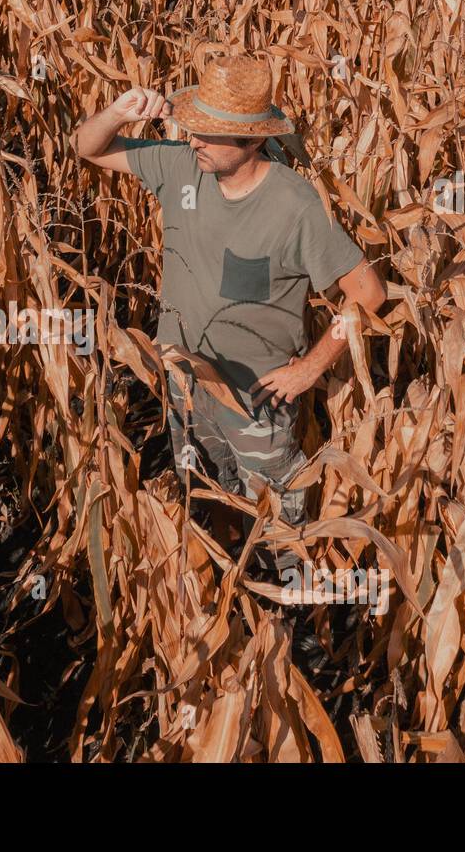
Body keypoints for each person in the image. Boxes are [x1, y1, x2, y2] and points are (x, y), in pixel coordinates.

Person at [75, 52, 386, 562]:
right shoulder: (180, 167)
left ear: (253, 140)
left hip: (256, 397)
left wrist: (310, 368)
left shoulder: (295, 206)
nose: (193, 139)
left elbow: (370, 294)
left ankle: (290, 613)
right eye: (193, 126)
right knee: (204, 485)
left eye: (209, 133)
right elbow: (87, 149)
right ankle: (229, 580)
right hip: (184, 381)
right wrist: (118, 112)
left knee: (278, 517)